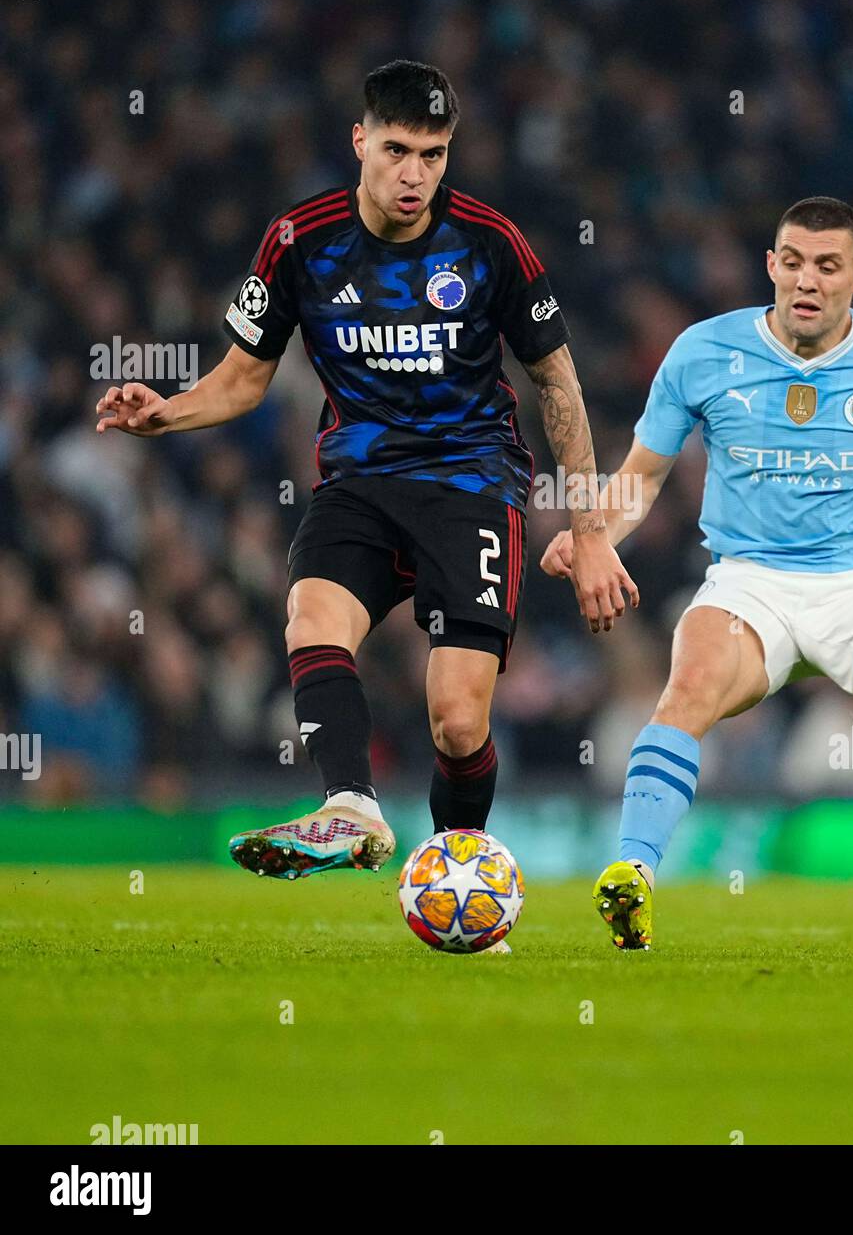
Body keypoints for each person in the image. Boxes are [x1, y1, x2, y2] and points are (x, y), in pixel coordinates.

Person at [97, 59, 635, 913]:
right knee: (311, 617)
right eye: (396, 150)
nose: (414, 173)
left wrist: (592, 529)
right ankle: (352, 805)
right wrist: (164, 414)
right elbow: (244, 379)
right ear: (360, 142)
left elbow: (558, 386)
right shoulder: (299, 240)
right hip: (361, 480)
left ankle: (464, 877)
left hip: (471, 481)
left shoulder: (491, 242)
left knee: (457, 723)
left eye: (433, 153)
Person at [542, 197, 853, 955]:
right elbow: (643, 477)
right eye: (792, 261)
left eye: (826, 265)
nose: (805, 279)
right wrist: (592, 538)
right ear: (771, 265)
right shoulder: (702, 352)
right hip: (748, 583)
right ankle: (633, 875)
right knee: (688, 689)